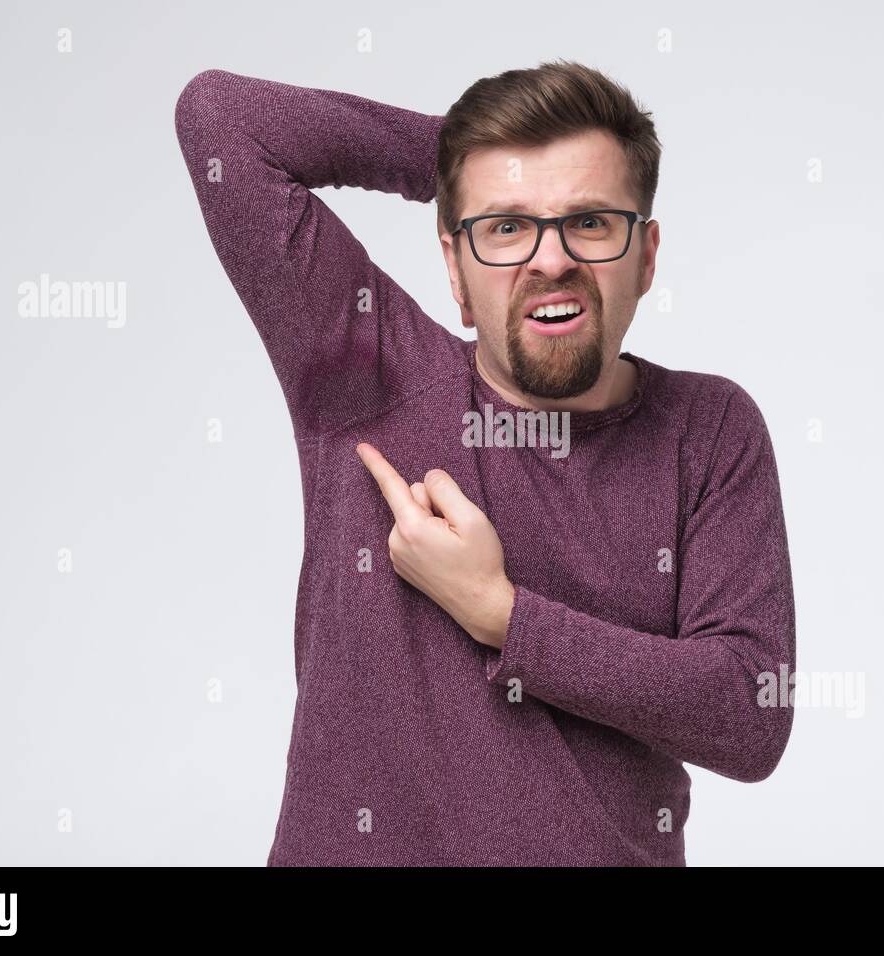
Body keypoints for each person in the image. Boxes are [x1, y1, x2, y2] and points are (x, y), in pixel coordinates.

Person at [174, 59, 795, 866]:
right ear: (455, 272)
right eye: (505, 228)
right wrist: (463, 154)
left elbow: (750, 715)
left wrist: (502, 614)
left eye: (591, 221)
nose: (550, 259)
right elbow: (222, 118)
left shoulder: (711, 431)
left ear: (646, 256)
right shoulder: (369, 376)